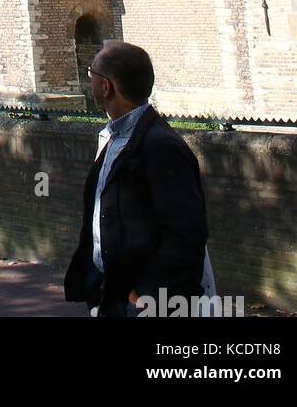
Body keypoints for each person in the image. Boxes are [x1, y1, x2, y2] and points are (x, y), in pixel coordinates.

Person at [65, 40, 209, 318]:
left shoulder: (160, 145)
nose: (90, 80)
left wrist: (151, 296)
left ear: (106, 86)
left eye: (91, 74)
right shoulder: (115, 138)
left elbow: (185, 233)